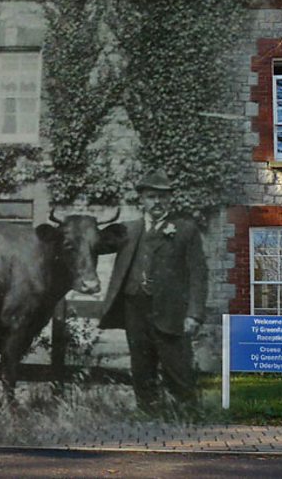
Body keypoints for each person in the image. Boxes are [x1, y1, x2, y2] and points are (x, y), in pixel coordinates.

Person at [98, 170, 208, 412]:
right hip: (134, 308)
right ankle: (148, 417)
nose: (157, 202)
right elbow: (93, 244)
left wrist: (194, 314)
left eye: (162, 197)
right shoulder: (129, 230)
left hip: (171, 312)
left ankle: (190, 419)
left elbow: (199, 275)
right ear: (142, 200)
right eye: (151, 197)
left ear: (170, 200)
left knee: (177, 368)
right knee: (141, 367)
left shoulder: (185, 230)